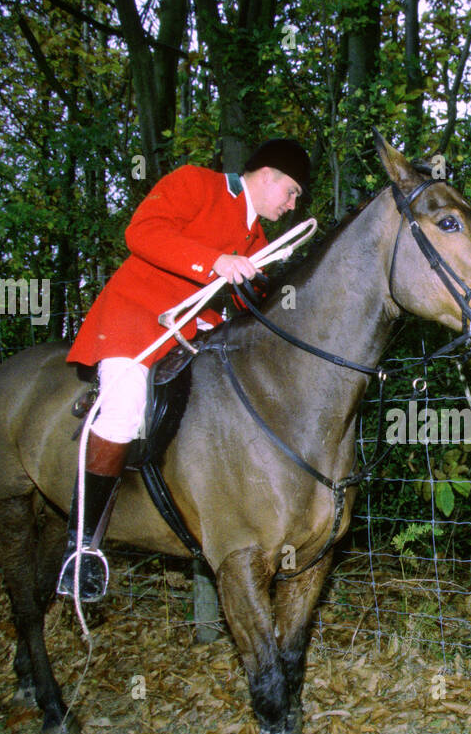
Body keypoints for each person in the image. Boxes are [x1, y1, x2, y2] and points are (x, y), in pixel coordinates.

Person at [58, 138, 312, 601]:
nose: (292, 205)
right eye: (291, 191)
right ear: (267, 174)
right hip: (137, 322)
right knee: (123, 410)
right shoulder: (196, 182)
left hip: (193, 341)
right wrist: (215, 261)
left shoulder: (257, 240)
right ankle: (82, 548)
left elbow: (240, 302)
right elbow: (142, 233)